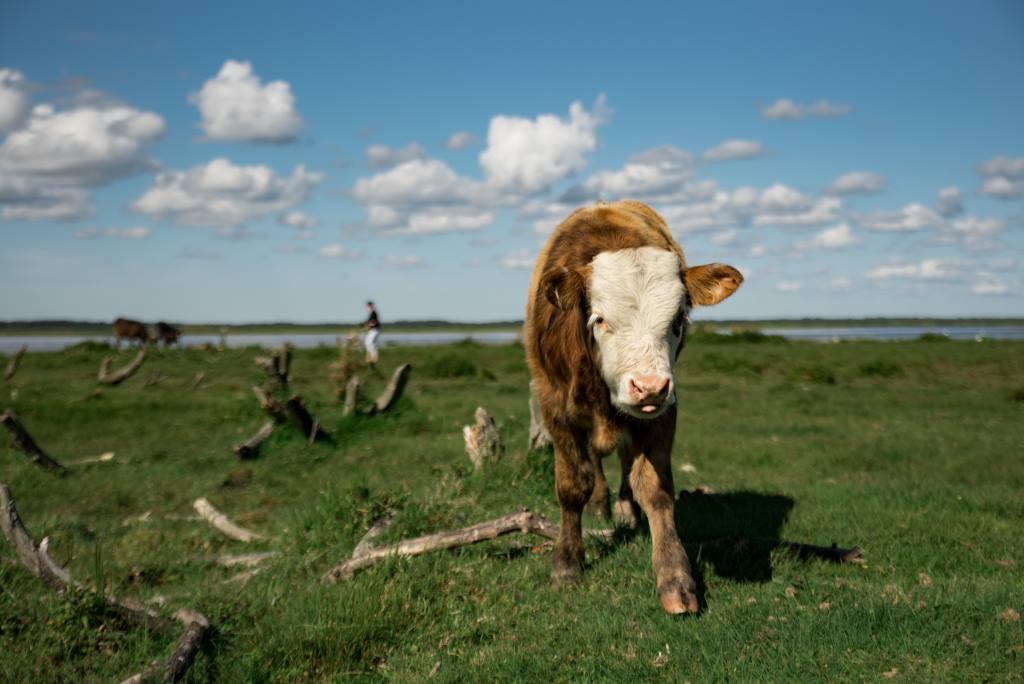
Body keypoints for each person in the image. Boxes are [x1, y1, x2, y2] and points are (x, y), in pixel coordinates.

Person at [362, 300, 382, 375]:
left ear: (371, 306)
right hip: (372, 330)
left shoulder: (373, 313)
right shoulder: (371, 313)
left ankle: (373, 357)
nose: (368, 308)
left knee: (370, 343)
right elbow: (370, 322)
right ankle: (370, 357)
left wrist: (366, 324)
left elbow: (373, 322)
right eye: (368, 306)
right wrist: (365, 324)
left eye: (369, 306)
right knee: (367, 343)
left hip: (375, 330)